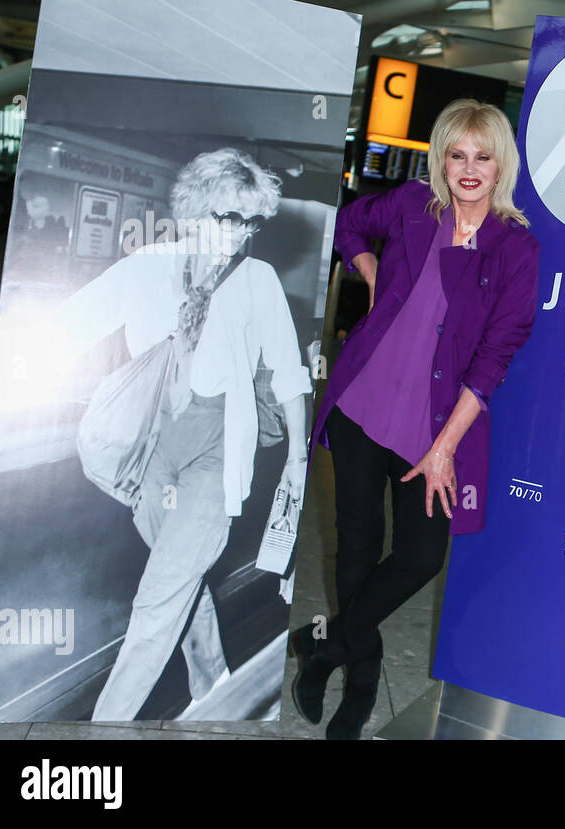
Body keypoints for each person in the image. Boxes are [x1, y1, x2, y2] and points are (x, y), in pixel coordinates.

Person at [290, 99, 539, 739]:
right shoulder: (409, 206)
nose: (469, 168)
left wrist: (445, 449)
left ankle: (329, 647)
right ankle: (362, 686)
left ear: (501, 162)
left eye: (483, 156)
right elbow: (348, 224)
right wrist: (370, 273)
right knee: (357, 546)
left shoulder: (514, 246)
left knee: (421, 556)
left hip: (435, 426)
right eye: (458, 154)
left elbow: (495, 356)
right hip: (362, 402)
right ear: (442, 157)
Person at [52, 148, 311, 720]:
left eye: (252, 221)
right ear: (196, 209)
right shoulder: (147, 266)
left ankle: (104, 728)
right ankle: (213, 684)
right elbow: (65, 326)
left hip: (216, 453)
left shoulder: (257, 279)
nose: (240, 233)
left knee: (158, 598)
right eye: (228, 217)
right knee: (179, 577)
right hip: (148, 454)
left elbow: (290, 369)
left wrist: (297, 456)